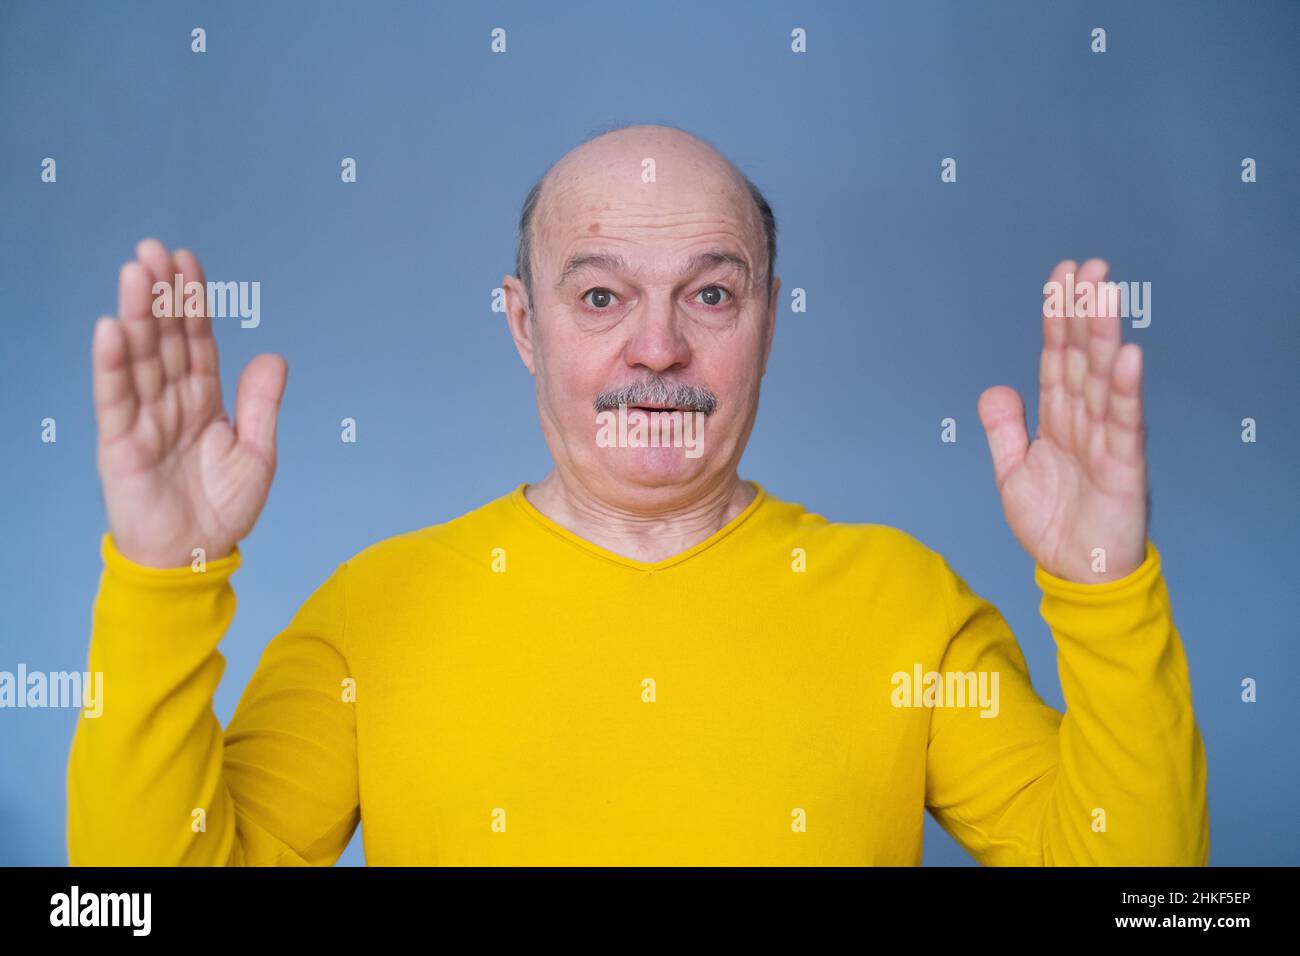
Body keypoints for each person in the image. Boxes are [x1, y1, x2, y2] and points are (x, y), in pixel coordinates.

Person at [67, 123, 1208, 865]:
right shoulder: (372, 611)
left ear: (766, 319)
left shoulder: (905, 602)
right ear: (524, 324)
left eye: (710, 295)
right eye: (602, 296)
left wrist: (1101, 585)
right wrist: (161, 578)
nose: (656, 348)